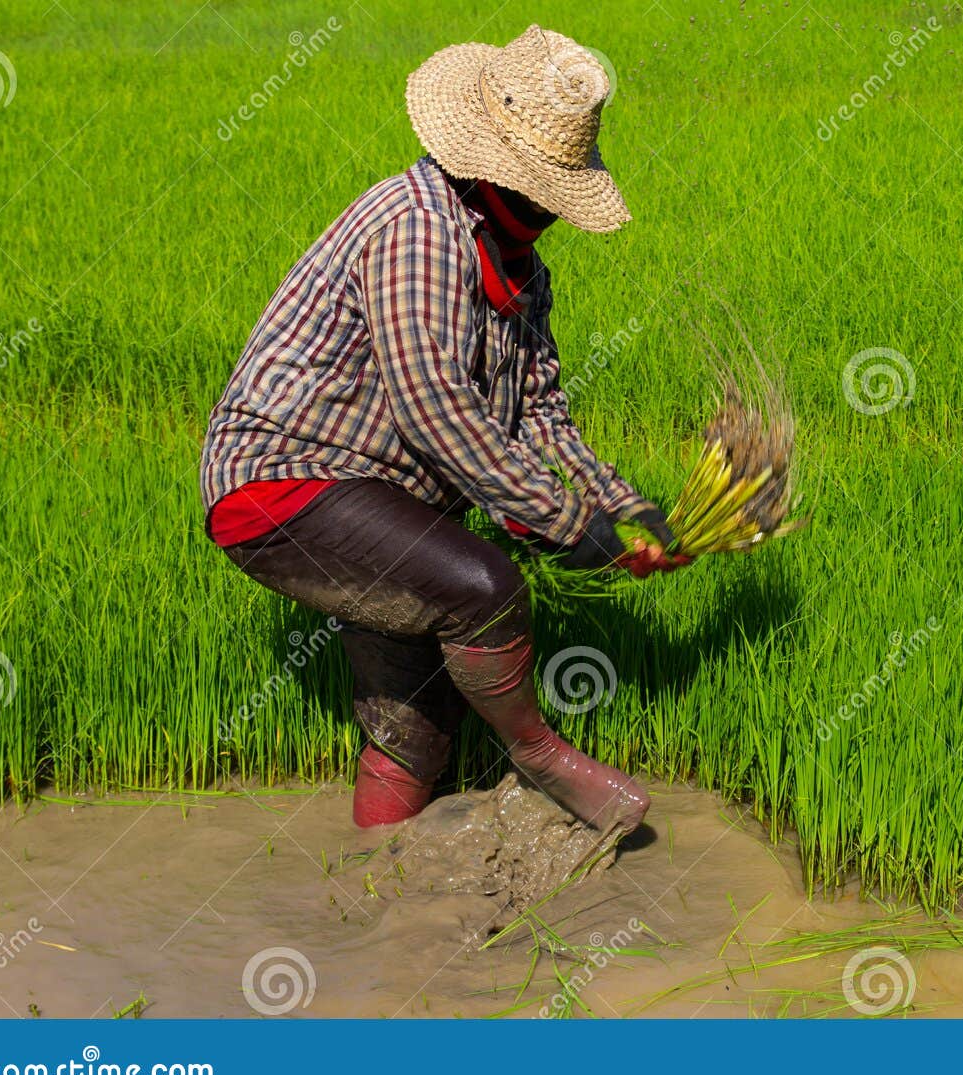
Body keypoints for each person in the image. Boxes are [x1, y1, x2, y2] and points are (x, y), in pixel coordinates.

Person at [199, 26, 686, 834]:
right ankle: (537, 752)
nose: (547, 213)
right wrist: (566, 526)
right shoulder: (417, 227)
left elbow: (540, 411)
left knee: (418, 727)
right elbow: (436, 406)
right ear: (490, 165)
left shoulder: (520, 263)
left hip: (387, 503)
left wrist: (622, 505)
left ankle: (375, 896)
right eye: (538, 190)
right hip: (288, 485)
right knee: (487, 590)